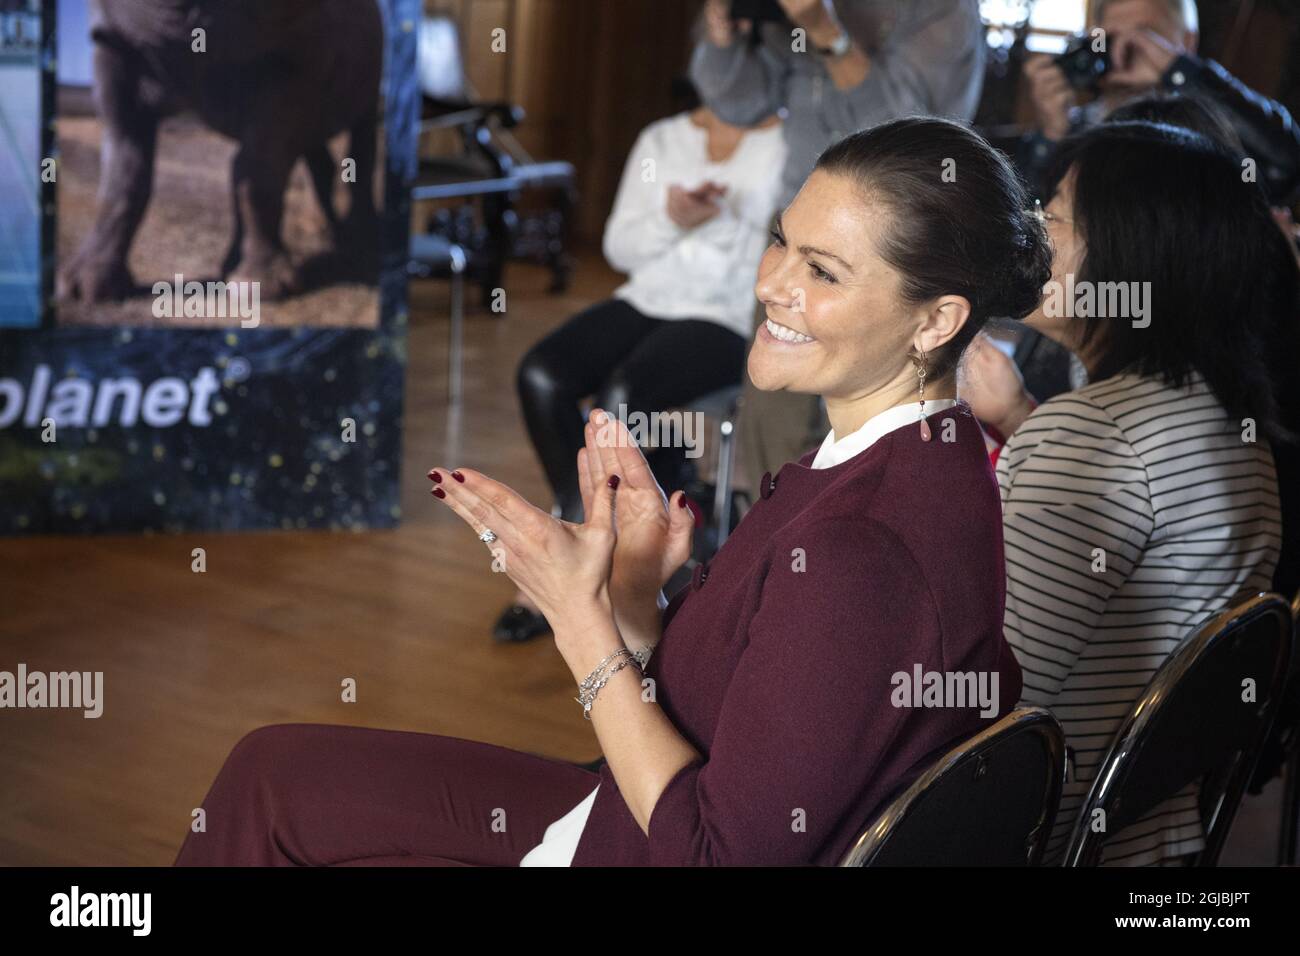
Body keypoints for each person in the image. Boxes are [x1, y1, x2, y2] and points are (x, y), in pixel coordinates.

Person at [172, 117, 1047, 867]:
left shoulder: (866, 548)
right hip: (622, 815)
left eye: (824, 272)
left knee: (266, 797)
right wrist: (634, 601)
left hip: (638, 842)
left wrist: (579, 620)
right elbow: (759, 714)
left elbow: (713, 854)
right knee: (271, 774)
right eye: (782, 239)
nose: (771, 283)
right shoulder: (926, 456)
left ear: (936, 320)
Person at [962, 119, 1296, 865]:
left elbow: (994, 699)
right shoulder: (1222, 415)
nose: (1034, 235)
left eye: (1052, 218)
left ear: (1129, 257)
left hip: (1039, 830)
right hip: (1149, 829)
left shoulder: (1091, 433)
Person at [497, 93, 788, 642]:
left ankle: (599, 563)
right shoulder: (663, 137)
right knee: (541, 373)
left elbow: (786, 248)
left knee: (622, 396)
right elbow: (620, 249)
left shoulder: (788, 142)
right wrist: (672, 218)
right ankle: (584, 528)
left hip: (730, 315)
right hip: (647, 297)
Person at [690, 0, 988, 496]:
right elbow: (740, 104)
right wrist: (724, 36)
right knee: (772, 407)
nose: (765, 288)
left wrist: (828, 34)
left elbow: (921, 144)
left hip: (887, 250)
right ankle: (768, 550)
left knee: (869, 428)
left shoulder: (942, 10)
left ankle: (833, 552)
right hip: (798, 224)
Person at [1018, 0, 1300, 205]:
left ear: (1187, 42)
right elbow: (1032, 232)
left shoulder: (1211, 136)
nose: (1121, 52)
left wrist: (1181, 72)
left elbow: (1285, 165)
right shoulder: (1077, 129)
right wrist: (1052, 135)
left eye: (1144, 34)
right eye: (1110, 38)